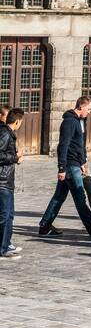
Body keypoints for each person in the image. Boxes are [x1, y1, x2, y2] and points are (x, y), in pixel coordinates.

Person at [38, 96, 91, 238]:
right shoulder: (69, 122)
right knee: (80, 198)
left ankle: (45, 225)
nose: (89, 112)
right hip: (70, 166)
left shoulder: (79, 121)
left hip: (76, 164)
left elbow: (78, 145)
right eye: (88, 109)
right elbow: (63, 146)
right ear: (81, 107)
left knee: (59, 197)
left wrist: (82, 162)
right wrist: (62, 168)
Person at [0, 108, 23, 259]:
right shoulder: (5, 133)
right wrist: (15, 157)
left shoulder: (8, 133)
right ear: (17, 121)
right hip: (2, 181)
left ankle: (6, 243)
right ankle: (2, 248)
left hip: (7, 180)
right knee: (4, 215)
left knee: (9, 215)